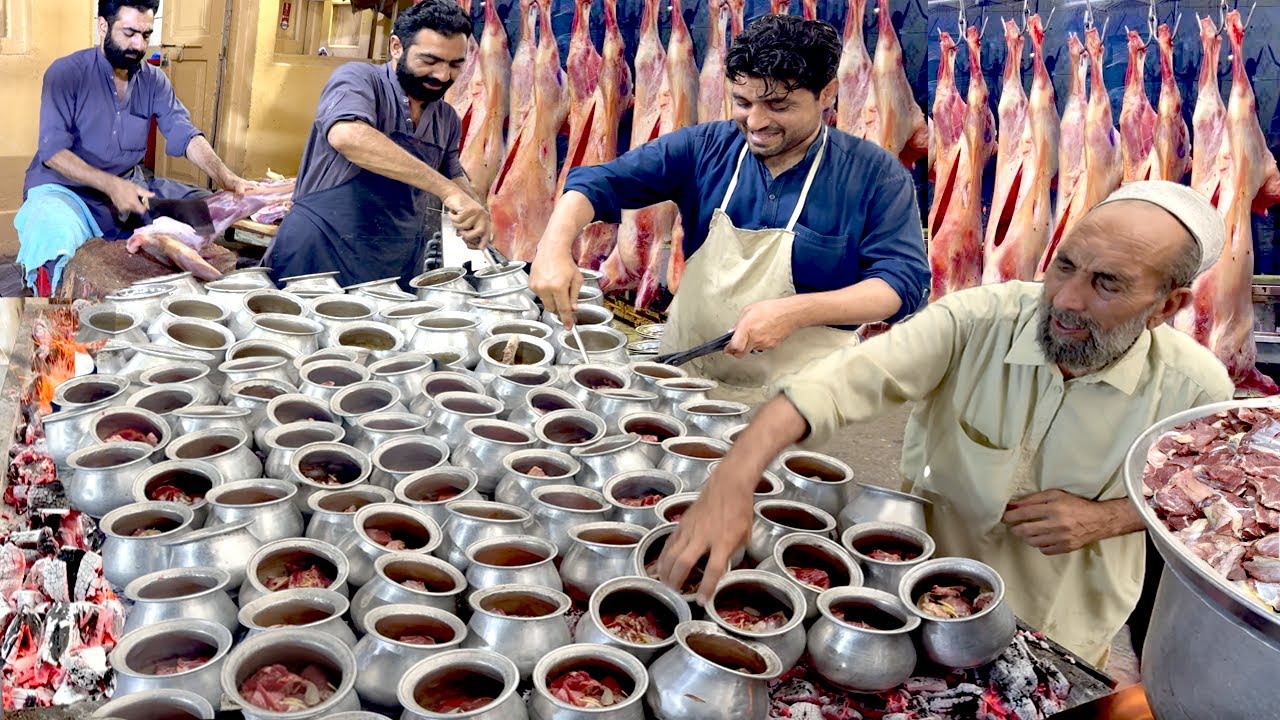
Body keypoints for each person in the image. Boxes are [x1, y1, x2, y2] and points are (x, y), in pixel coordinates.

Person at [654, 180, 1235, 667]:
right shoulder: (980, 319)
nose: (1068, 299)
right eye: (1065, 266)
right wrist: (733, 478)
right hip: (922, 594)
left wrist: (1106, 518)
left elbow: (1208, 506)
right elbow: (841, 382)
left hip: (1065, 621)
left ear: (1167, 306)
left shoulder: (1195, 389)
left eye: (1108, 283)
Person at [529, 15, 929, 404]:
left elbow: (901, 283)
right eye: (742, 102)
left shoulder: (875, 175)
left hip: (804, 399)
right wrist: (553, 246)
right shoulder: (705, 148)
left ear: (827, 94)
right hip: (686, 379)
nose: (756, 122)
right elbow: (600, 183)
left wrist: (798, 311)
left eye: (778, 106)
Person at [15, 0, 253, 293]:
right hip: (65, 191)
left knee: (208, 205)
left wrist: (224, 176)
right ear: (103, 26)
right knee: (51, 230)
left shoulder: (155, 81)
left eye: (146, 34)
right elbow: (52, 152)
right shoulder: (66, 73)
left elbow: (186, 134)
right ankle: (57, 314)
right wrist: (111, 186)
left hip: (129, 188)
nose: (139, 45)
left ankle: (196, 299)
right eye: (129, 33)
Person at [263, 0, 490, 290]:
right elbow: (348, 136)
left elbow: (453, 174)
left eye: (455, 64)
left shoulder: (446, 118)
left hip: (394, 263)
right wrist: (447, 192)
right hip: (319, 254)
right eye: (430, 61)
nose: (442, 76)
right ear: (397, 47)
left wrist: (472, 208)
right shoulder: (358, 79)